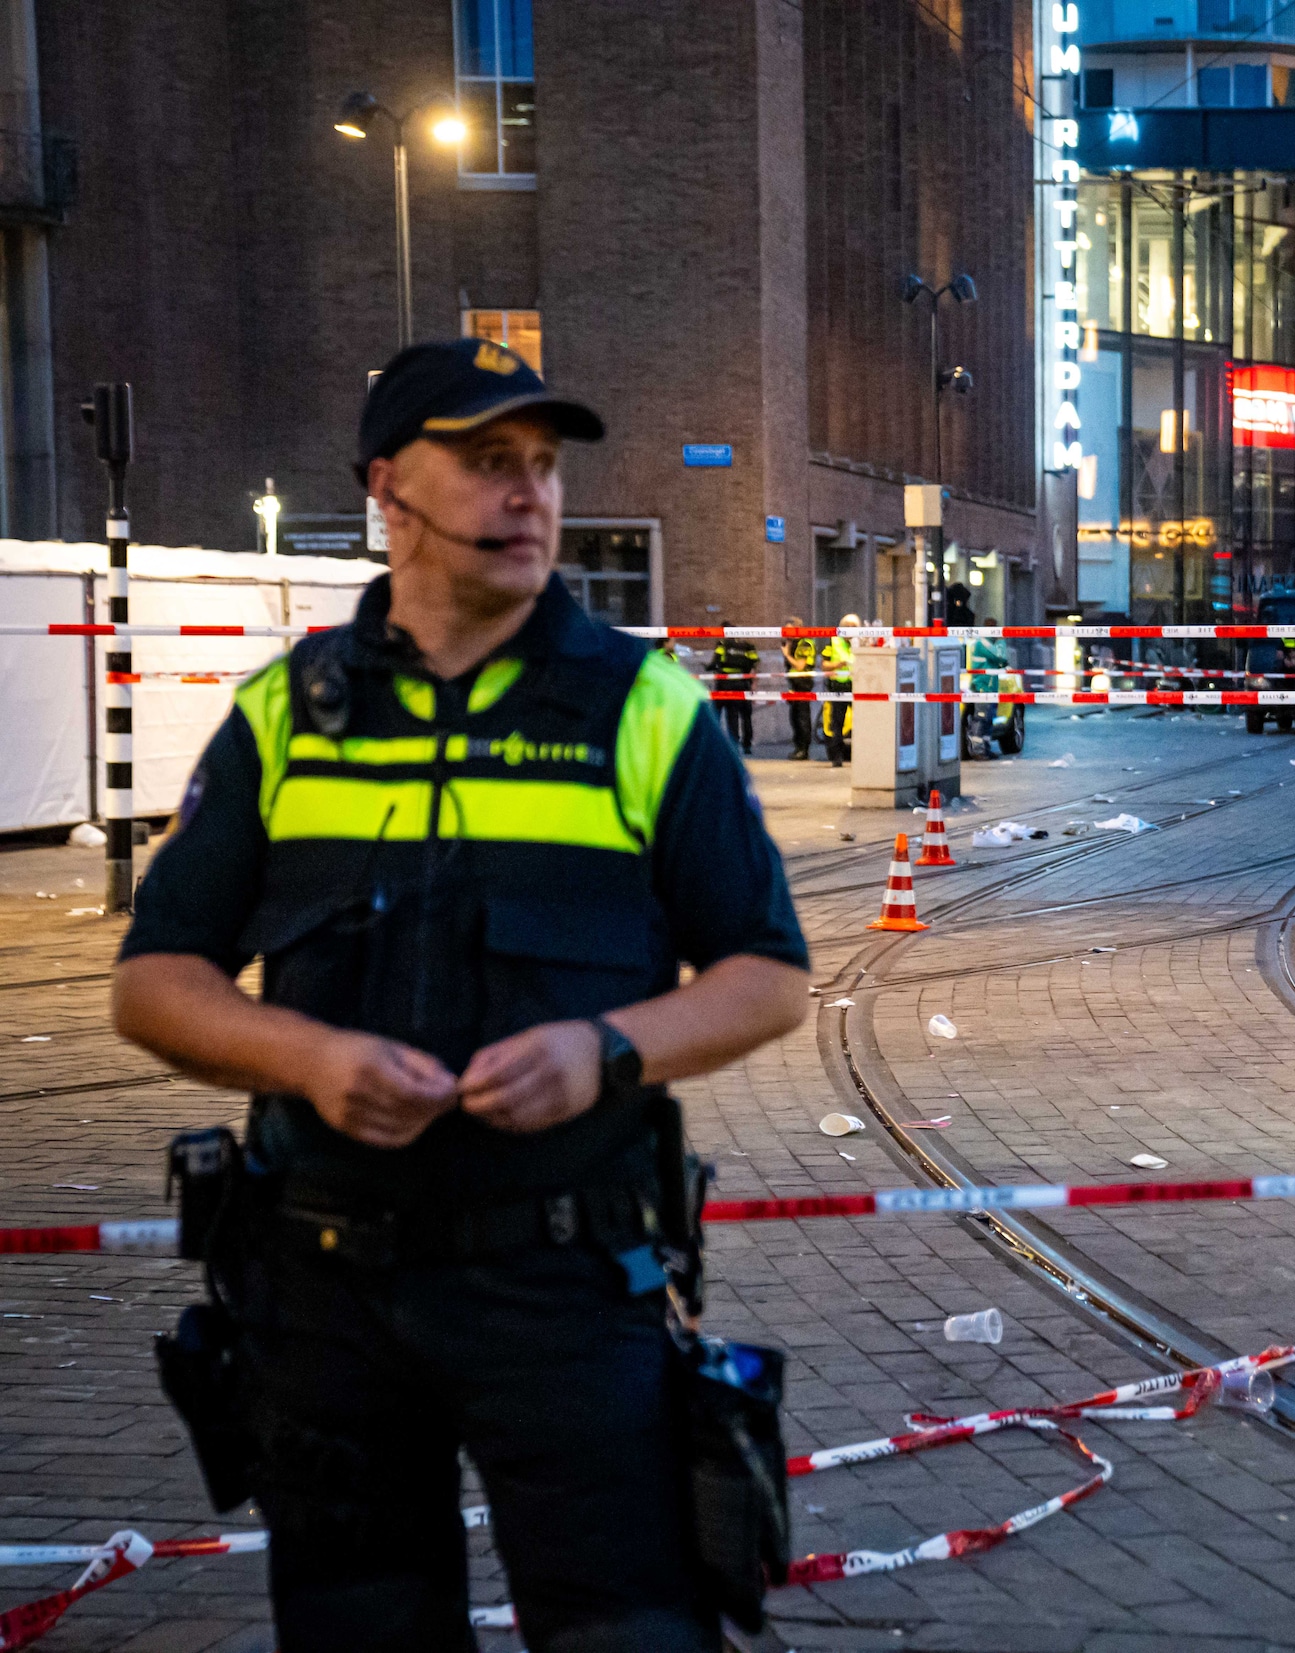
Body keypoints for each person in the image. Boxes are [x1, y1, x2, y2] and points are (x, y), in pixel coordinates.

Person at [111, 337, 813, 1651]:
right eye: (489, 462)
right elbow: (154, 984)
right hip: (323, 1295)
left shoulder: (642, 707)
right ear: (391, 487)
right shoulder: (287, 715)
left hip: (561, 1284)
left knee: (628, 1629)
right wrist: (306, 1058)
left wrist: (604, 1049)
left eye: (542, 466)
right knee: (358, 1627)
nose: (530, 494)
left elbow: (769, 978)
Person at [710, 632, 759, 755]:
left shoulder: (723, 645)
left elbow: (715, 662)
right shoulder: (748, 646)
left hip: (725, 684)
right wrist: (753, 683)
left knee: (729, 715)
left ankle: (732, 744)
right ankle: (747, 745)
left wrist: (708, 668)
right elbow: (754, 664)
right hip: (743, 684)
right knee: (745, 716)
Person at [820, 614, 857, 765]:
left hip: (857, 686)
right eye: (847, 626)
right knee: (837, 724)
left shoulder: (862, 641)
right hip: (839, 687)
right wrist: (838, 665)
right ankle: (836, 757)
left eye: (853, 627)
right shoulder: (833, 641)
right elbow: (824, 665)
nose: (850, 629)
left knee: (863, 722)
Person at [782, 618, 817, 761]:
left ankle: (804, 749)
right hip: (794, 685)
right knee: (794, 718)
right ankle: (798, 747)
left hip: (803, 684)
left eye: (789, 630)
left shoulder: (805, 643)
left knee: (802, 718)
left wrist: (787, 654)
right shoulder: (791, 644)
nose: (786, 634)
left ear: (798, 628)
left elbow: (800, 666)